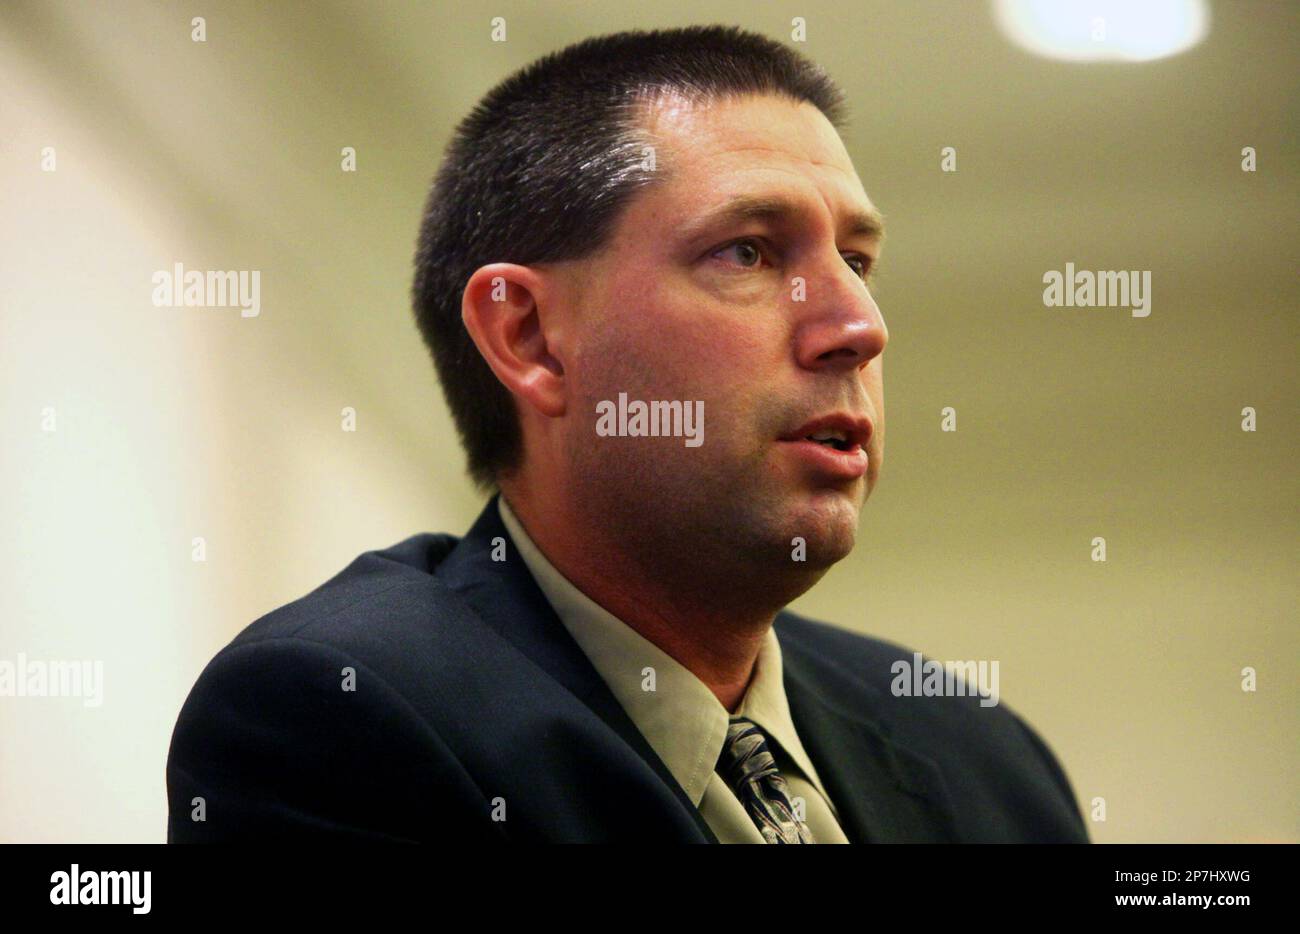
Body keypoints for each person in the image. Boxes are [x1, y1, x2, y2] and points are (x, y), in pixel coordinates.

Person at [166, 25, 1089, 843]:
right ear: (529, 337)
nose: (858, 325)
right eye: (749, 252)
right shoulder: (339, 714)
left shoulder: (983, 756)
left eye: (857, 260)